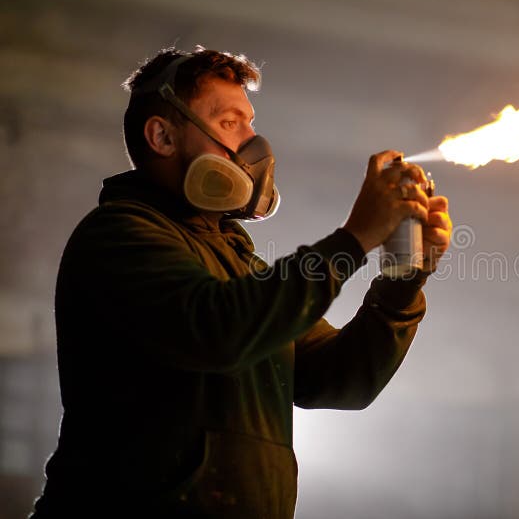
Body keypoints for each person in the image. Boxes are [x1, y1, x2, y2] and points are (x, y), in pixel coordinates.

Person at [30, 46, 452, 518]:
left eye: (250, 122)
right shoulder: (119, 236)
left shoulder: (238, 263)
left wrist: (402, 279)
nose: (254, 143)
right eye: (231, 123)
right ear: (162, 136)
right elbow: (217, 328)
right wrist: (353, 239)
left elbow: (340, 381)